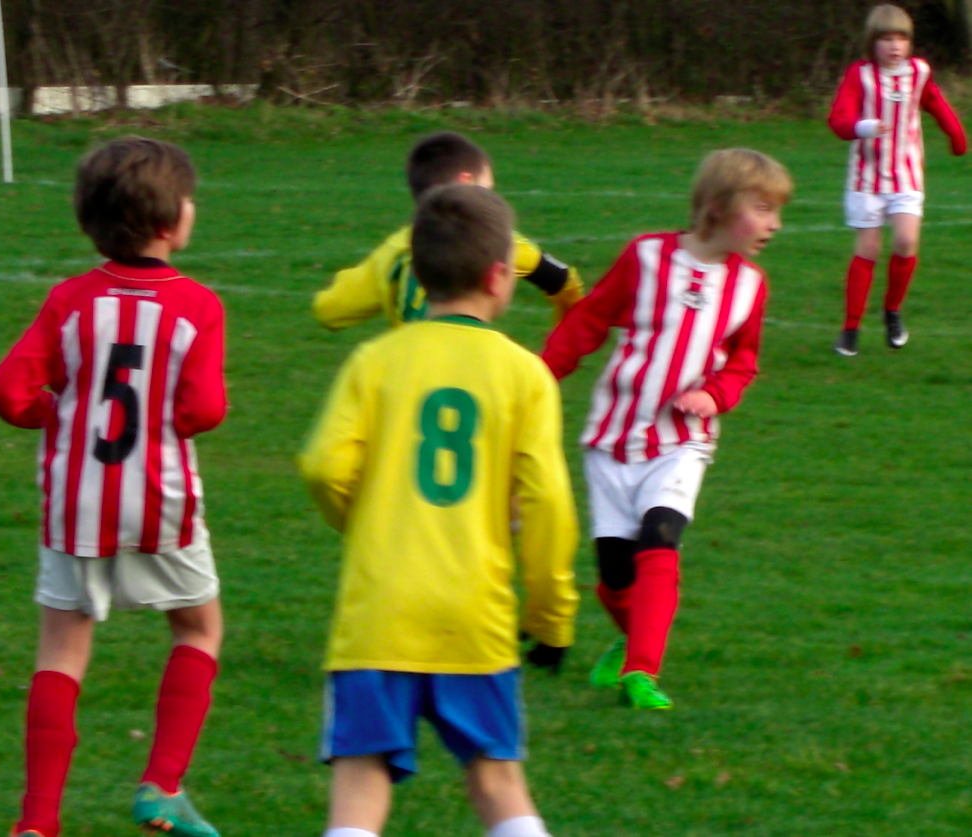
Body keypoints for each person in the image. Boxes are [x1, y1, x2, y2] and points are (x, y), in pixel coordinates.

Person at [299, 183, 579, 837]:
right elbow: (547, 503)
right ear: (497, 275)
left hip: (380, 607)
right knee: (495, 778)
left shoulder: (376, 360)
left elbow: (319, 465)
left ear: (418, 273)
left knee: (361, 777)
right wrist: (551, 614)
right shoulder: (524, 373)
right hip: (473, 611)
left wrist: (362, 520)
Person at [0, 137, 227, 837]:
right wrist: (172, 416)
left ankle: (36, 822)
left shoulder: (69, 300)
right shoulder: (198, 306)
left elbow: (7, 389)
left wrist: (51, 408)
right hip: (161, 499)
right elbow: (205, 409)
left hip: (76, 500)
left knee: (62, 650)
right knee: (199, 627)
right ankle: (162, 785)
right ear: (169, 221)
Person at [542, 149, 792, 710]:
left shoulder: (751, 286)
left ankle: (641, 673)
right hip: (613, 435)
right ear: (717, 207)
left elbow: (743, 362)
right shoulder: (646, 256)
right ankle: (632, 639)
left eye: (778, 212)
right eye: (763, 209)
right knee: (612, 573)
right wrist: (538, 377)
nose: (775, 225)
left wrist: (714, 395)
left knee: (660, 536)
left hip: (681, 441)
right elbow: (589, 319)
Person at [312, 131, 584, 332]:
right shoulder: (498, 241)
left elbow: (329, 310)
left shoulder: (393, 251)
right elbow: (564, 281)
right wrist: (563, 343)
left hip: (409, 388)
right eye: (488, 188)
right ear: (466, 183)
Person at [827, 3, 966, 356]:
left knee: (906, 242)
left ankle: (893, 310)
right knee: (869, 250)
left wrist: (955, 134)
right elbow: (838, 117)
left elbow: (934, 102)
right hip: (867, 178)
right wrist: (862, 127)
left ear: (909, 43)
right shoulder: (859, 75)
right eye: (886, 39)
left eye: (901, 38)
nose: (894, 46)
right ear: (872, 43)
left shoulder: (918, 72)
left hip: (906, 174)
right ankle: (851, 328)